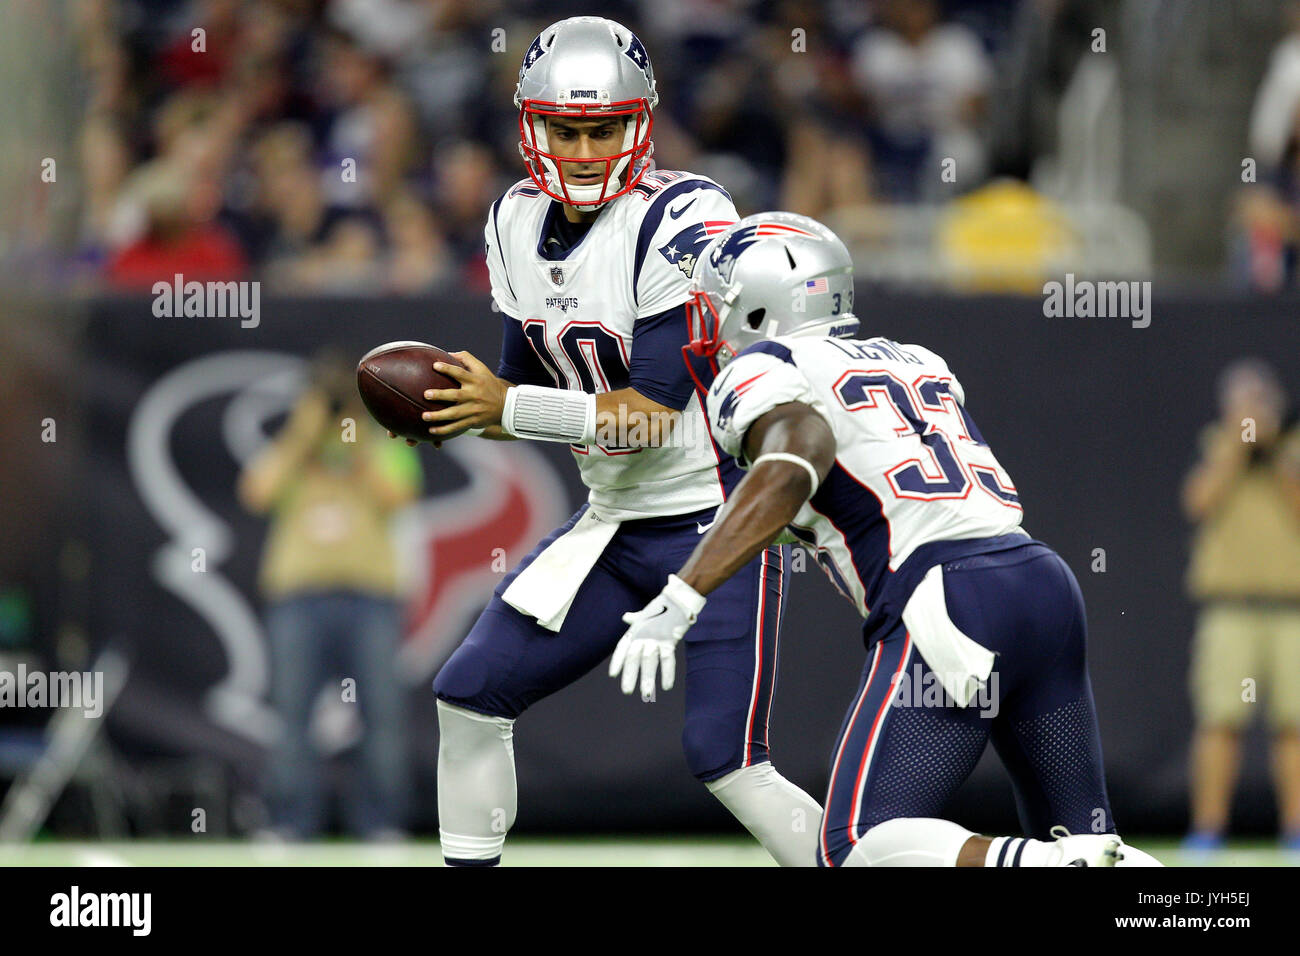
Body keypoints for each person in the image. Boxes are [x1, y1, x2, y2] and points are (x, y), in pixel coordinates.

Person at [392, 17, 822, 867]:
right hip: (616, 521)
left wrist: (504, 409)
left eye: (604, 127)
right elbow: (531, 383)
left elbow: (652, 413)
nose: (585, 148)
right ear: (531, 126)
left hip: (713, 525)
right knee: (468, 695)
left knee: (727, 762)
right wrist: (455, 407)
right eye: (565, 128)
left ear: (642, 124)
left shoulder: (682, 212)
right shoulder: (513, 218)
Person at [610, 211, 1161, 866]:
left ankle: (1049, 864)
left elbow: (800, 455)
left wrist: (683, 594)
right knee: (1088, 842)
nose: (704, 325)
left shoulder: (766, 366)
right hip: (1040, 583)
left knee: (856, 846)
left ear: (759, 306)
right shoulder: (914, 359)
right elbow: (856, 488)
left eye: (714, 305)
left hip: (949, 598)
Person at [239, 349, 421, 839]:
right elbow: (256, 491)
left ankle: (382, 825)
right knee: (292, 716)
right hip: (299, 596)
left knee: (381, 717)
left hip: (370, 597)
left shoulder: (384, 438)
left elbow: (398, 497)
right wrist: (304, 431)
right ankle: (287, 823)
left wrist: (357, 434)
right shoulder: (295, 443)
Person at [1181, 358, 1300, 852]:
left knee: (1295, 724)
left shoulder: (1292, 453)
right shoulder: (1218, 447)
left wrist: (1275, 458)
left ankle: (1296, 830)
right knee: (1219, 719)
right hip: (1229, 610)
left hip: (1290, 609)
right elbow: (1198, 503)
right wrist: (1236, 448)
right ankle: (1208, 828)